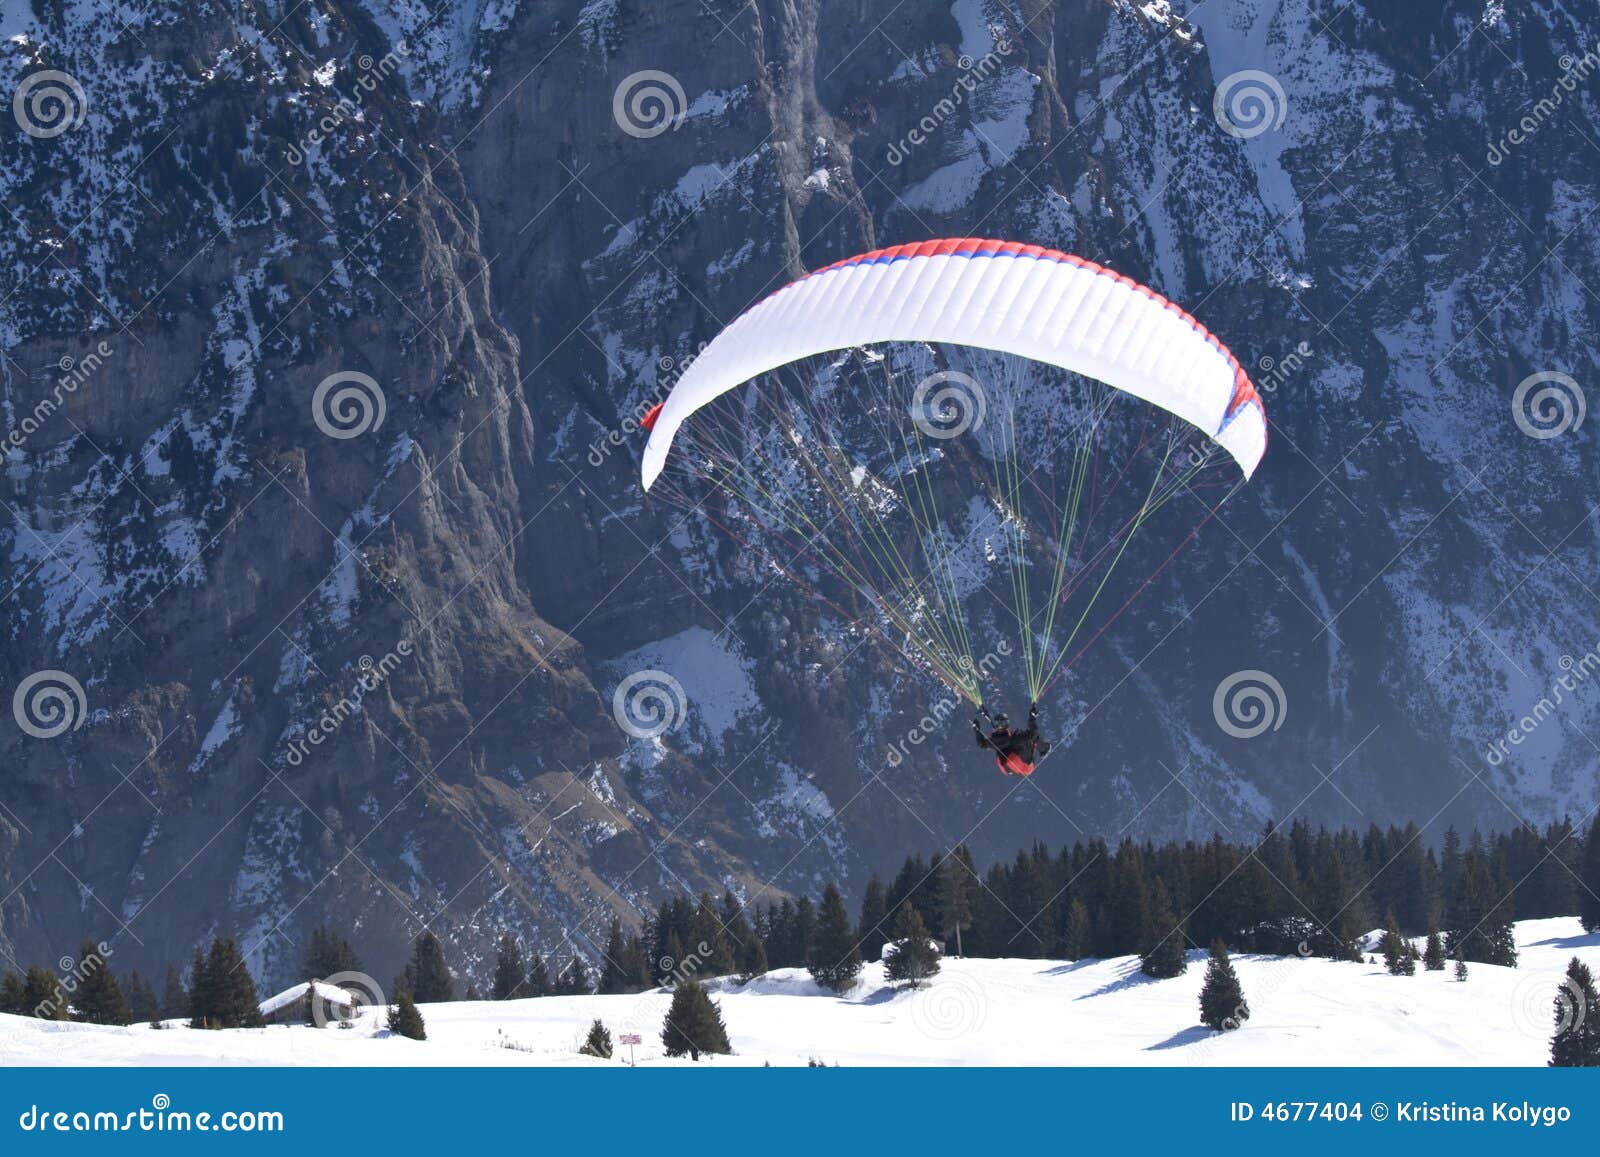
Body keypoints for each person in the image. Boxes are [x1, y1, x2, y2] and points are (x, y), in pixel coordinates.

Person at [973, 703, 1050, 776]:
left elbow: (981, 744)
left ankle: (1042, 749)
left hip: (1008, 768)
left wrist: (976, 730)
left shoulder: (995, 741)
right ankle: (1044, 749)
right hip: (1024, 767)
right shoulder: (1016, 738)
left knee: (1002, 743)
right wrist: (1032, 717)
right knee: (1032, 738)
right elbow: (1033, 733)